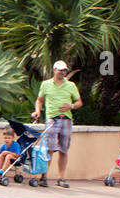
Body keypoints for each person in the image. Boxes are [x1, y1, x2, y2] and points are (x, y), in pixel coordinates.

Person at [31, 60, 82, 188]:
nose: (62, 72)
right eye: (60, 70)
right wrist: (37, 111)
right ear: (54, 70)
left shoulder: (71, 85)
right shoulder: (46, 84)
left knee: (64, 150)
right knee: (50, 148)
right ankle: (44, 176)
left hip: (66, 120)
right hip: (52, 119)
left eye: (64, 70)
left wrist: (70, 106)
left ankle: (61, 178)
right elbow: (40, 100)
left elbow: (79, 102)